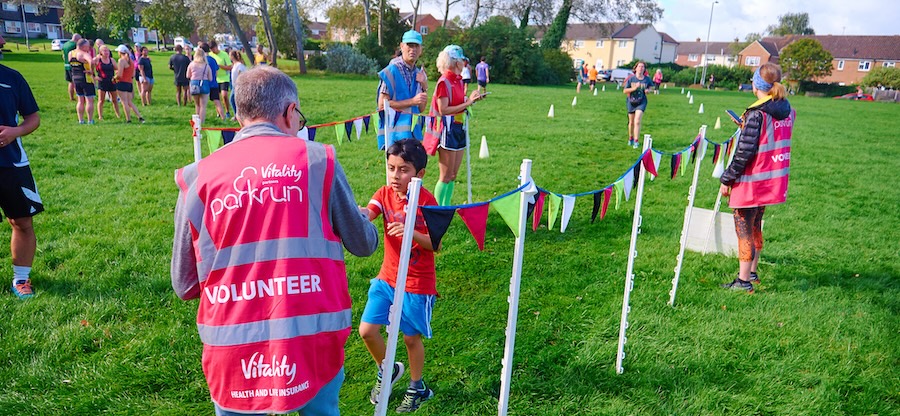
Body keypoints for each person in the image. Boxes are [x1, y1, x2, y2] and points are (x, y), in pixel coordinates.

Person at [172, 65, 379, 416]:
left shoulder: (197, 177)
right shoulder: (318, 160)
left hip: (232, 346)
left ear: (239, 115)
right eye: (298, 117)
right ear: (288, 111)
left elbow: (185, 284)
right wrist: (358, 217)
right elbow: (364, 244)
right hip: (311, 337)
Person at [359, 138, 439, 413]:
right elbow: (369, 213)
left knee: (410, 339)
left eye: (403, 170)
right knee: (367, 331)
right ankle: (388, 369)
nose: (395, 175)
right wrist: (355, 214)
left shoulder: (428, 202)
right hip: (387, 278)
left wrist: (410, 233)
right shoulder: (384, 194)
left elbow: (435, 244)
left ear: (420, 174)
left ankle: (417, 387)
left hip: (417, 283)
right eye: (391, 168)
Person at [719, 63, 794, 293]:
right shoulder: (787, 109)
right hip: (771, 180)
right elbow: (768, 136)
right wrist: (747, 127)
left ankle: (743, 281)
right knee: (756, 225)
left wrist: (727, 178)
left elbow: (744, 153)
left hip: (751, 180)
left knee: (744, 228)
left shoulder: (756, 114)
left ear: (756, 85)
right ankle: (752, 271)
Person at [0, 58, 42, 300]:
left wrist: (15, 131)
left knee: (22, 222)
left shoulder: (12, 77)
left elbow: (33, 117)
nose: (3, 41)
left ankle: (21, 279)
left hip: (13, 164)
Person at [431, 45, 483, 206]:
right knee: (445, 175)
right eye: (462, 60)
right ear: (454, 62)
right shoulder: (444, 82)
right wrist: (468, 103)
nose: (465, 64)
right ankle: (438, 210)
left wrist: (471, 99)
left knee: (453, 175)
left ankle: (446, 207)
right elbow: (444, 109)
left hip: (460, 128)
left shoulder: (458, 80)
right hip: (447, 129)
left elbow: (459, 102)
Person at [376, 30, 428, 150]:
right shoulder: (392, 71)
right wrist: (412, 101)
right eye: (410, 45)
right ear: (402, 46)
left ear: (421, 50)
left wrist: (424, 86)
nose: (413, 49)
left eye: (416, 46)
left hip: (414, 135)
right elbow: (382, 105)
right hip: (395, 137)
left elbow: (421, 108)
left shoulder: (418, 73)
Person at [623, 61, 651, 148]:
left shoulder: (647, 79)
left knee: (637, 120)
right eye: (639, 66)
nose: (641, 68)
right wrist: (635, 88)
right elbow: (625, 91)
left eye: (642, 67)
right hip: (631, 101)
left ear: (644, 69)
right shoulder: (631, 79)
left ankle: (636, 141)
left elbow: (651, 87)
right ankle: (630, 138)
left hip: (641, 102)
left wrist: (648, 90)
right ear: (636, 68)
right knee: (631, 122)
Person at [115, 44, 144, 123]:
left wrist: (114, 77)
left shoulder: (121, 61)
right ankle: (139, 116)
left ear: (120, 52)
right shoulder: (131, 61)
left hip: (122, 83)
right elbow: (133, 74)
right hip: (129, 83)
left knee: (124, 102)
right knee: (130, 102)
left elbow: (120, 75)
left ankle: (128, 119)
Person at [69, 39, 96, 124]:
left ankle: (81, 120)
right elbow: (91, 61)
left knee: (80, 100)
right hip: (86, 78)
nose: (89, 48)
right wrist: (91, 70)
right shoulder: (84, 54)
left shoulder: (71, 53)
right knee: (89, 100)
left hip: (75, 78)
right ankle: (90, 120)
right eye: (88, 46)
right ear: (84, 46)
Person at [93, 45, 121, 120]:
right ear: (100, 52)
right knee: (101, 100)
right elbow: (90, 67)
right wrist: (94, 77)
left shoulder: (111, 60)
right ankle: (100, 116)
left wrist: (116, 75)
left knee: (115, 100)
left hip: (111, 81)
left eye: (107, 51)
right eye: (104, 51)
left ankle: (118, 115)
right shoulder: (97, 60)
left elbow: (117, 69)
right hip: (102, 82)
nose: (106, 52)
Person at [199, 42, 225, 120]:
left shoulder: (202, 60)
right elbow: (216, 72)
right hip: (214, 83)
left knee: (202, 104)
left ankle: (201, 119)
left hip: (205, 84)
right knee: (217, 102)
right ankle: (223, 117)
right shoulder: (213, 60)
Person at [209, 40, 234, 119]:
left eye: (214, 49)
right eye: (211, 49)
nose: (213, 51)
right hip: (215, 78)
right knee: (216, 97)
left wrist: (219, 66)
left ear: (216, 47)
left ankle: (227, 111)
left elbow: (230, 67)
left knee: (224, 95)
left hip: (224, 78)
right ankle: (219, 112)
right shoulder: (210, 55)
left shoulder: (224, 54)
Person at [186, 48, 212, 122]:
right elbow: (210, 78)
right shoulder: (206, 65)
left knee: (197, 104)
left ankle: (196, 121)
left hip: (194, 83)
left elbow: (187, 75)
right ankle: (202, 121)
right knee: (203, 105)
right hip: (204, 83)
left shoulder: (192, 64)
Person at [228, 49, 248, 120]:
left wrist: (240, 84)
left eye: (230, 55)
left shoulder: (239, 65)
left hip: (238, 86)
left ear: (232, 56)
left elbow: (241, 74)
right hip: (234, 85)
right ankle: (237, 115)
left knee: (233, 100)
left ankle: (239, 115)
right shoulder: (235, 65)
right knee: (233, 100)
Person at [62, 33, 81, 101]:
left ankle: (71, 97)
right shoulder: (75, 45)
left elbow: (63, 56)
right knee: (76, 82)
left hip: (66, 65)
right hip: (74, 66)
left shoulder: (65, 44)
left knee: (70, 82)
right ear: (77, 39)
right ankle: (79, 98)